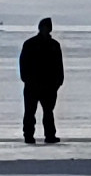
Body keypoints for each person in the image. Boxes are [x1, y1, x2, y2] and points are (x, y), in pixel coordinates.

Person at [20, 17, 65, 145]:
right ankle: (28, 135)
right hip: (33, 83)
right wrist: (26, 78)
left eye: (48, 27)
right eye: (44, 27)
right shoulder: (30, 44)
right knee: (30, 111)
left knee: (48, 111)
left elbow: (58, 64)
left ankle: (50, 135)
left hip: (49, 84)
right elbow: (23, 63)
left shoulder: (54, 45)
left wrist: (59, 81)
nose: (46, 29)